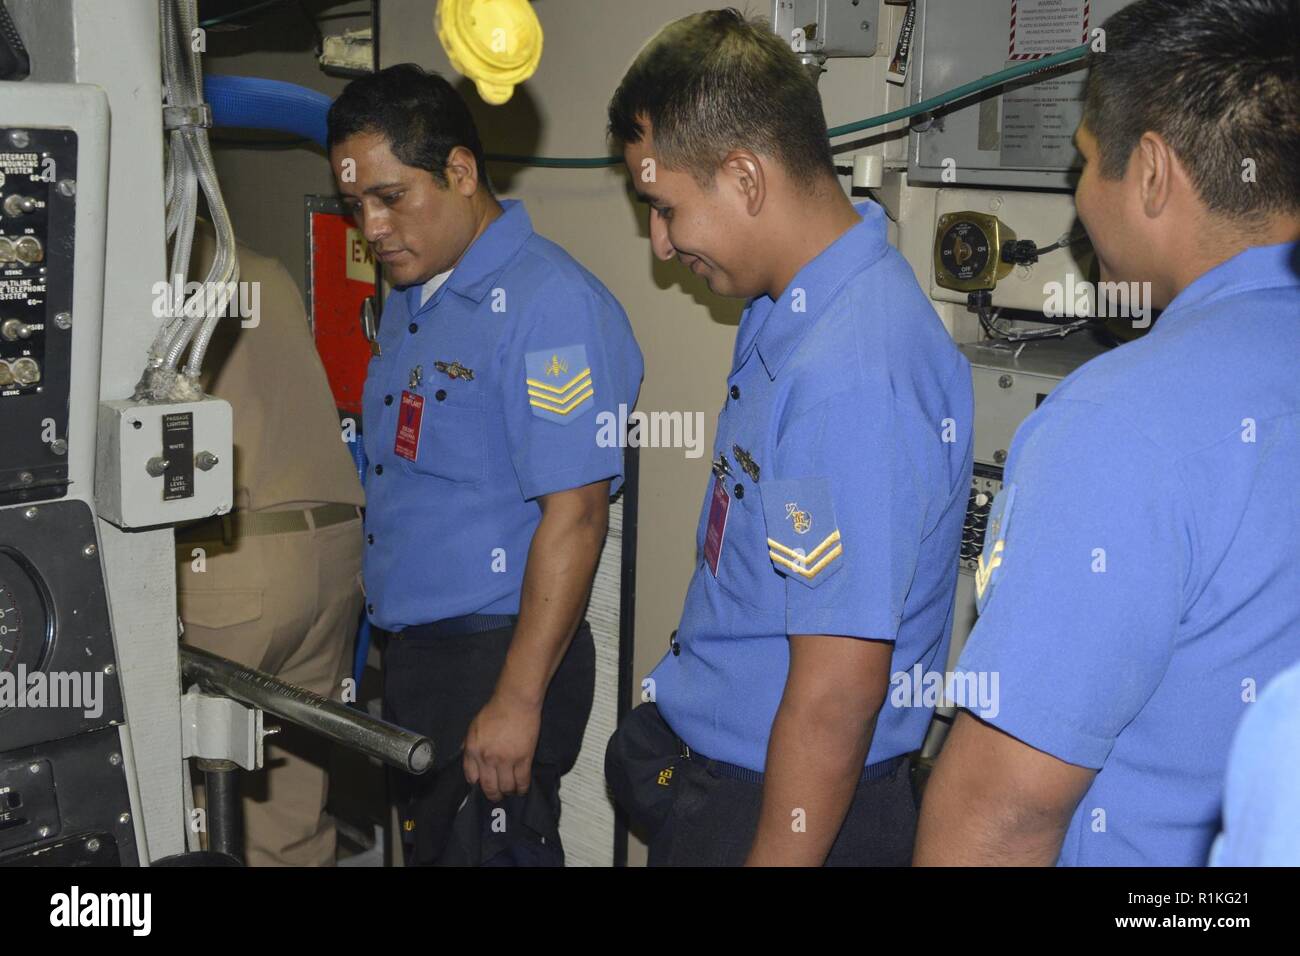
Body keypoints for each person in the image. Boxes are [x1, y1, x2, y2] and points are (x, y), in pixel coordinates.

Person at [915, 0, 1300, 866]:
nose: (1080, 200)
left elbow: (999, 822)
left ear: (1152, 172)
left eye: (1085, 163)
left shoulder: (1118, 425)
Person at [603, 9, 973, 866]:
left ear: (743, 177)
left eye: (665, 209)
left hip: (789, 808)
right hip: (726, 774)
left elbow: (836, 695)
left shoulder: (851, 373)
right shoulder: (791, 307)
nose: (661, 244)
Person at [327, 64, 643, 865]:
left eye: (391, 197)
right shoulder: (412, 296)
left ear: (461, 172)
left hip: (497, 656)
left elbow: (578, 515)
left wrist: (517, 700)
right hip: (419, 656)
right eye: (356, 205)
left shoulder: (550, 306)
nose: (372, 227)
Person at [176, 220, 365, 866]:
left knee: (201, 806)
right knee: (289, 806)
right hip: (332, 552)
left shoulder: (150, 274)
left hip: (232, 563)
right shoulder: (262, 266)